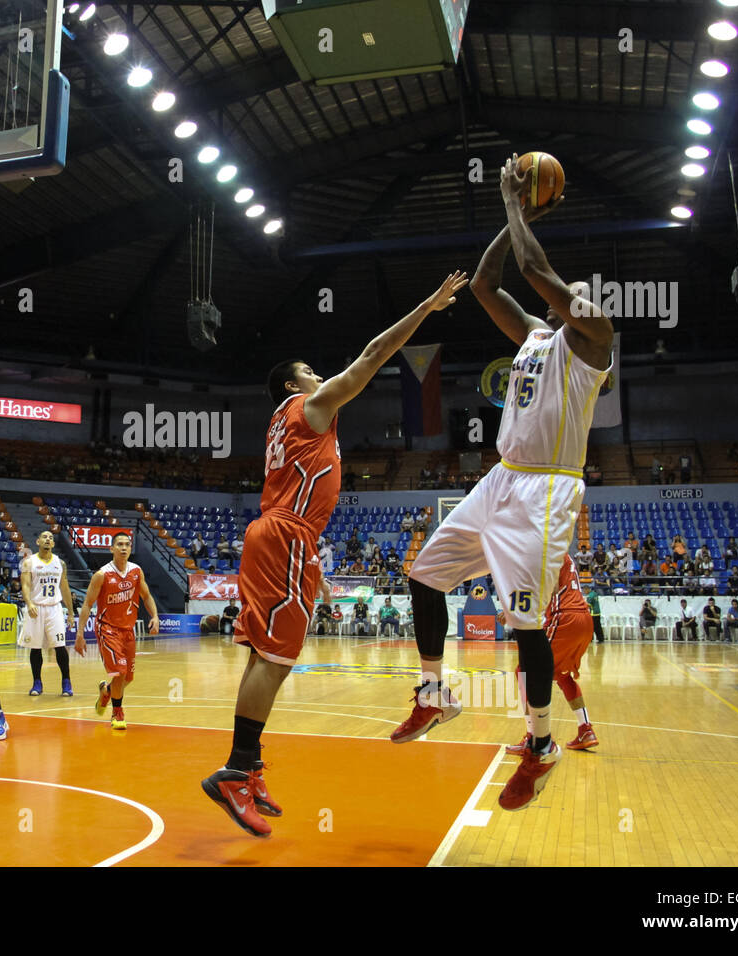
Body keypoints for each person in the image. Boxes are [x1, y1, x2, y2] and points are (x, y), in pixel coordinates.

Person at [201, 270, 468, 837]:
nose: (320, 375)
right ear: (294, 385)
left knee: (262, 657)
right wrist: (426, 304)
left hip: (286, 539)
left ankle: (247, 767)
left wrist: (313, 566)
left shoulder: (288, 423)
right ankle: (234, 772)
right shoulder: (308, 407)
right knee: (274, 660)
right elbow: (372, 355)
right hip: (286, 537)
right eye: (310, 371)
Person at [391, 156, 614, 814]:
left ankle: (542, 742)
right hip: (501, 478)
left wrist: (518, 207)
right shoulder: (537, 337)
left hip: (546, 490)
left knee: (523, 619)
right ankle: (434, 693)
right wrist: (510, 212)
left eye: (572, 298)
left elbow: (537, 272)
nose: (565, 303)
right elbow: (490, 283)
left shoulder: (594, 336)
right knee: (424, 574)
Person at [505, 555, 598, 754]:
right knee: (562, 675)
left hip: (565, 617)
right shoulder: (561, 552)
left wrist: (513, 610)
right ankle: (585, 729)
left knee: (524, 671)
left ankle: (533, 737)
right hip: (583, 620)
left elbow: (548, 589)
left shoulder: (546, 550)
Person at [75, 532, 159, 732]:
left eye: (127, 544)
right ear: (111, 549)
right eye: (119, 544)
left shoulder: (136, 571)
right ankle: (117, 712)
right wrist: (79, 634)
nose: (123, 548)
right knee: (120, 673)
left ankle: (107, 691)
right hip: (107, 629)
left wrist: (155, 616)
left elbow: (146, 596)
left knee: (128, 678)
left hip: (128, 630)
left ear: (131, 549)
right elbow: (87, 604)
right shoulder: (102, 575)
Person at [16, 527, 74, 700]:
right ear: (38, 542)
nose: (47, 539)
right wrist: (29, 602)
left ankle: (66, 681)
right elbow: (25, 586)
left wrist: (70, 612)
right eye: (44, 537)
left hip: (54, 608)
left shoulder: (60, 563)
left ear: (53, 543)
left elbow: (64, 587)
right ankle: (37, 682)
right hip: (36, 608)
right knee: (35, 647)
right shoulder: (29, 562)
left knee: (59, 646)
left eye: (50, 537)